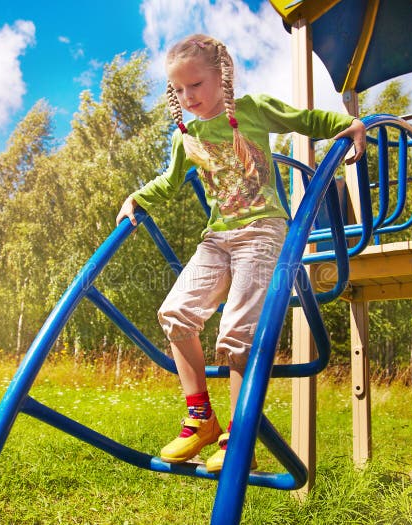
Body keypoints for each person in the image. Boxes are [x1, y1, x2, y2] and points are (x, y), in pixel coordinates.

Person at [116, 33, 365, 473]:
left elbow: (303, 118)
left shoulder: (251, 110)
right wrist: (137, 198)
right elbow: (169, 183)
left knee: (234, 334)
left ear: (221, 79)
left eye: (196, 84)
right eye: (178, 89)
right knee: (174, 314)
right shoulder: (185, 137)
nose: (187, 96)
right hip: (218, 238)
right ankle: (200, 419)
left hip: (262, 233)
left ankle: (238, 436)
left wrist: (347, 126)